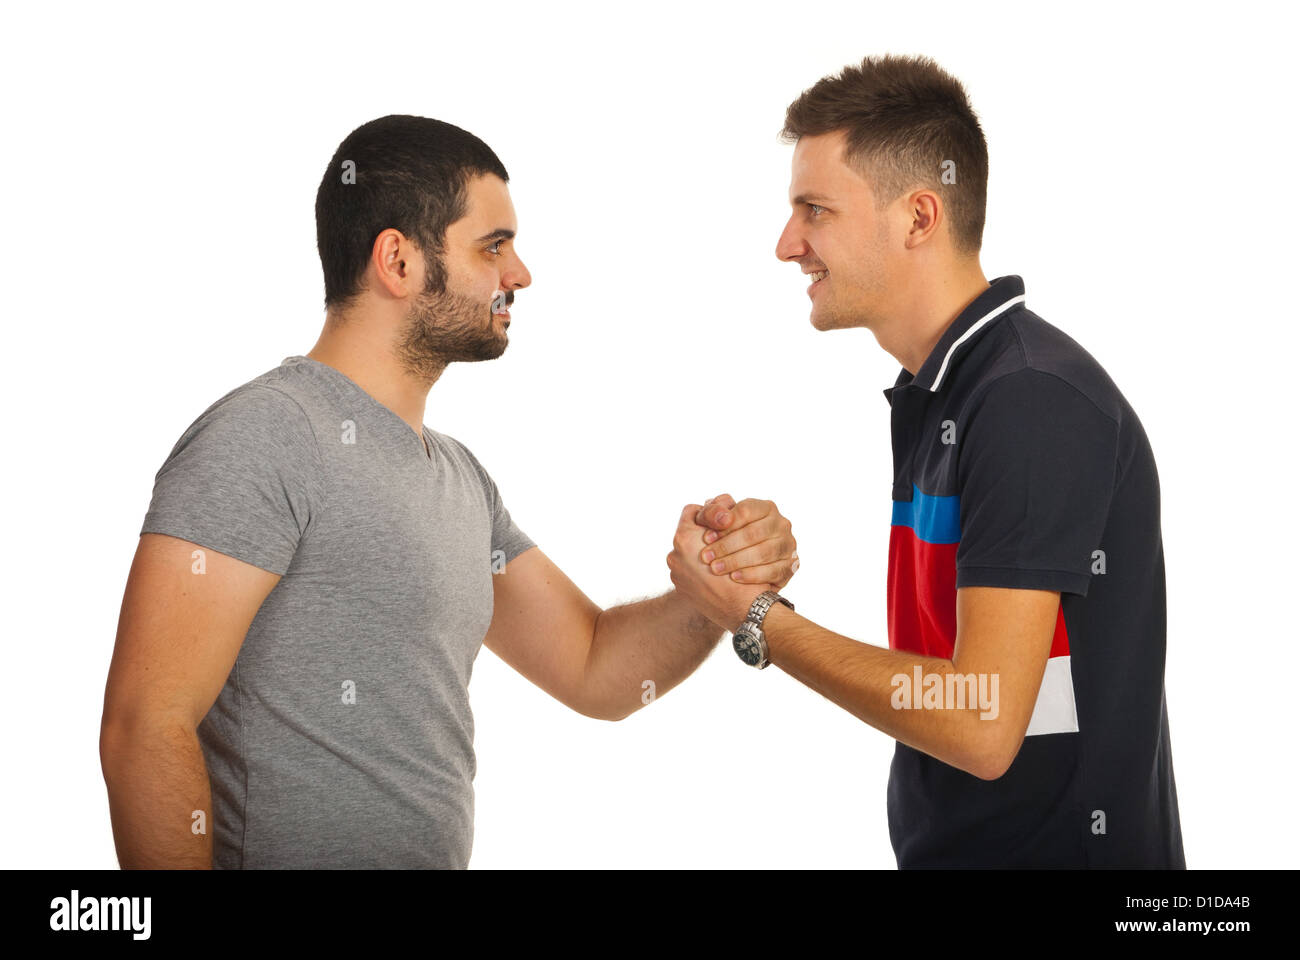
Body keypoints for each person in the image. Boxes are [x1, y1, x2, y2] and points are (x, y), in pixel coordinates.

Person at [99, 115, 798, 869]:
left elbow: (596, 669)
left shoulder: (460, 479)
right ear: (398, 260)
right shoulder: (267, 436)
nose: (520, 274)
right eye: (493, 246)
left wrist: (711, 591)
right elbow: (145, 725)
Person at [667, 55, 1184, 868]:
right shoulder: (944, 393)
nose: (786, 244)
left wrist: (760, 618)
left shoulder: (1029, 402)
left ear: (917, 217)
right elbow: (952, 676)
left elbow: (978, 725)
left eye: (815, 210)